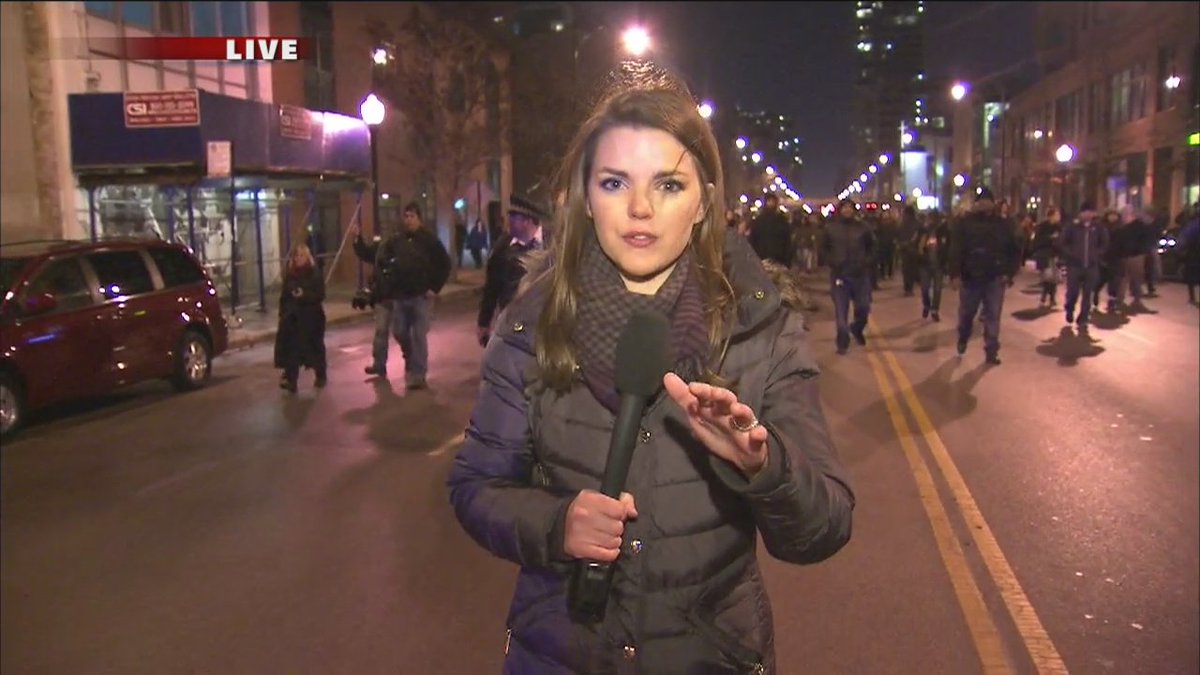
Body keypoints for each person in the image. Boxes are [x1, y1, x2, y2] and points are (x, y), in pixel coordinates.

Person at [447, 69, 854, 674]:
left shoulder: (760, 329)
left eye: (667, 184)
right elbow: (475, 487)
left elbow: (823, 528)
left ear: (703, 203)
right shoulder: (532, 324)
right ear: (587, 197)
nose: (640, 208)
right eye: (615, 182)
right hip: (559, 655)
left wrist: (762, 468)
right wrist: (557, 525)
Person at [351, 202, 451, 389]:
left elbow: (444, 264)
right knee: (399, 332)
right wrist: (358, 241)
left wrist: (434, 287)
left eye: (412, 216)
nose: (409, 220)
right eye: (406, 216)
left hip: (421, 297)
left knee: (419, 335)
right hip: (401, 296)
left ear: (419, 219)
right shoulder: (397, 240)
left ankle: (418, 374)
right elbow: (375, 255)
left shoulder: (429, 241)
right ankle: (410, 356)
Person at [947, 187, 1020, 365]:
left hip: (994, 277)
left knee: (993, 315)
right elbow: (956, 250)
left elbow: (1014, 249)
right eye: (981, 201)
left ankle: (991, 350)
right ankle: (963, 337)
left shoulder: (1002, 225)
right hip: (971, 277)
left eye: (988, 201)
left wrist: (1009, 273)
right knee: (967, 314)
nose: (985, 204)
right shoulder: (965, 224)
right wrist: (955, 274)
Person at [477, 195, 548, 347]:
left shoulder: (553, 242)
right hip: (512, 320)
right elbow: (491, 287)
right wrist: (484, 322)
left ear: (527, 221)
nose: (508, 220)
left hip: (546, 321)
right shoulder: (502, 247)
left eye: (513, 216)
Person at [821, 197, 875, 353]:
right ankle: (842, 341)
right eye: (844, 207)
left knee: (863, 308)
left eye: (850, 208)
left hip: (860, 275)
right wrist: (832, 261)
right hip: (840, 275)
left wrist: (867, 261)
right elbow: (823, 248)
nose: (847, 210)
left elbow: (873, 247)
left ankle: (857, 329)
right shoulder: (831, 228)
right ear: (840, 210)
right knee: (841, 312)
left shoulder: (863, 228)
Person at [273, 243, 327, 392]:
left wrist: (304, 295)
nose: (298, 258)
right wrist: (282, 314)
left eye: (301, 255)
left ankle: (321, 375)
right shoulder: (291, 275)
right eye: (296, 256)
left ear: (307, 257)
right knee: (292, 350)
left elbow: (320, 295)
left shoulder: (314, 273)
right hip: (293, 319)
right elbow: (284, 297)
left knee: (315, 348)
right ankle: (291, 380)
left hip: (312, 318)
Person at [1058, 201, 1109, 328]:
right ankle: (1069, 308)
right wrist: (1071, 253)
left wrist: (1097, 254)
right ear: (1081, 213)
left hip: (1091, 266)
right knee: (1072, 292)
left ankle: (1084, 316)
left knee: (1088, 293)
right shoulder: (1072, 226)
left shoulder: (1098, 227)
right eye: (1086, 212)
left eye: (1091, 212)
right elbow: (1062, 242)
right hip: (1074, 266)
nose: (1088, 214)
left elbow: (1104, 243)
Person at [747, 193, 794, 267]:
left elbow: (787, 241)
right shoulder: (781, 220)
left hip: (771, 259)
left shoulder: (759, 220)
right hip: (772, 259)